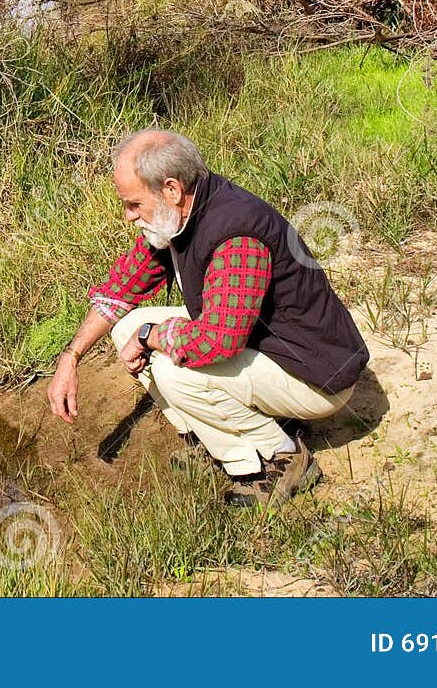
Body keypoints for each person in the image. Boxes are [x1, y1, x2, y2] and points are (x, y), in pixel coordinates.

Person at [46, 130, 371, 506]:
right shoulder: (174, 218)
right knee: (126, 330)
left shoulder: (236, 232)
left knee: (173, 368)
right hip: (267, 346)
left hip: (314, 376)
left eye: (134, 204)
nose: (129, 216)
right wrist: (71, 357)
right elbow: (119, 291)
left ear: (170, 189)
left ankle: (277, 460)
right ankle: (213, 432)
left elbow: (217, 341)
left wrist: (153, 335)